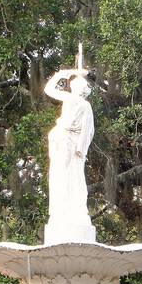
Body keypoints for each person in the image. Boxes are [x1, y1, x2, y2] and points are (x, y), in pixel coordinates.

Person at [42, 66, 96, 244]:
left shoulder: (85, 105)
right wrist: (63, 73)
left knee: (72, 176)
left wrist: (81, 149)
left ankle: (74, 210)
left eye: (78, 86)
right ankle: (61, 210)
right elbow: (48, 89)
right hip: (61, 140)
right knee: (60, 175)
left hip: (71, 145)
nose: (75, 88)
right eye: (74, 85)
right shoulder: (70, 98)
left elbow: (88, 130)